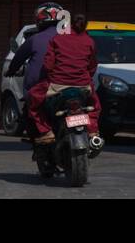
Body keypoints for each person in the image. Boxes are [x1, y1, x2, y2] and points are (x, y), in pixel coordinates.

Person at [35, 13, 101, 145]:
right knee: (95, 106)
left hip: (57, 85)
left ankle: (47, 132)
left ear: (68, 25)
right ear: (85, 25)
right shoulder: (89, 41)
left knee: (33, 100)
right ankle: (93, 131)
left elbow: (48, 65)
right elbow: (92, 66)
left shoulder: (57, 39)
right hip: (83, 85)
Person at [5, 2, 64, 138]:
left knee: (32, 106)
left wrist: (11, 71)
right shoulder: (72, 38)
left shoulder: (35, 39)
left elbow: (18, 59)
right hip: (77, 85)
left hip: (46, 86)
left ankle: (43, 135)